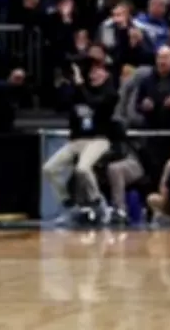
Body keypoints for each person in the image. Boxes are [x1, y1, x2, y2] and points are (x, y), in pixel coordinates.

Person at [42, 47, 118, 224]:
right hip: (76, 140)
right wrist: (67, 82)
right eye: (92, 72)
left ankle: (100, 204)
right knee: (49, 169)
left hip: (99, 140)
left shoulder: (110, 94)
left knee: (82, 169)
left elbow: (94, 103)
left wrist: (80, 84)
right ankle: (69, 206)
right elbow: (62, 103)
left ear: (106, 74)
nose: (94, 75)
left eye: (99, 71)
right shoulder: (80, 90)